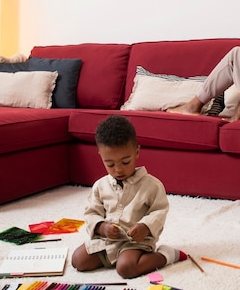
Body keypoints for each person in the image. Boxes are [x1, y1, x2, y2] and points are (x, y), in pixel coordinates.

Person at [72, 115, 186, 279]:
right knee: (78, 261)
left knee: (126, 269)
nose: (118, 169)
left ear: (137, 152)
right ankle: (114, 258)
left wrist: (145, 226)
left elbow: (159, 211)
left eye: (125, 162)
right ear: (101, 157)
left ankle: (166, 255)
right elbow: (91, 213)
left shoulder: (151, 185)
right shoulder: (100, 186)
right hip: (107, 241)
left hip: (135, 242)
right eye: (110, 164)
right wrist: (102, 228)